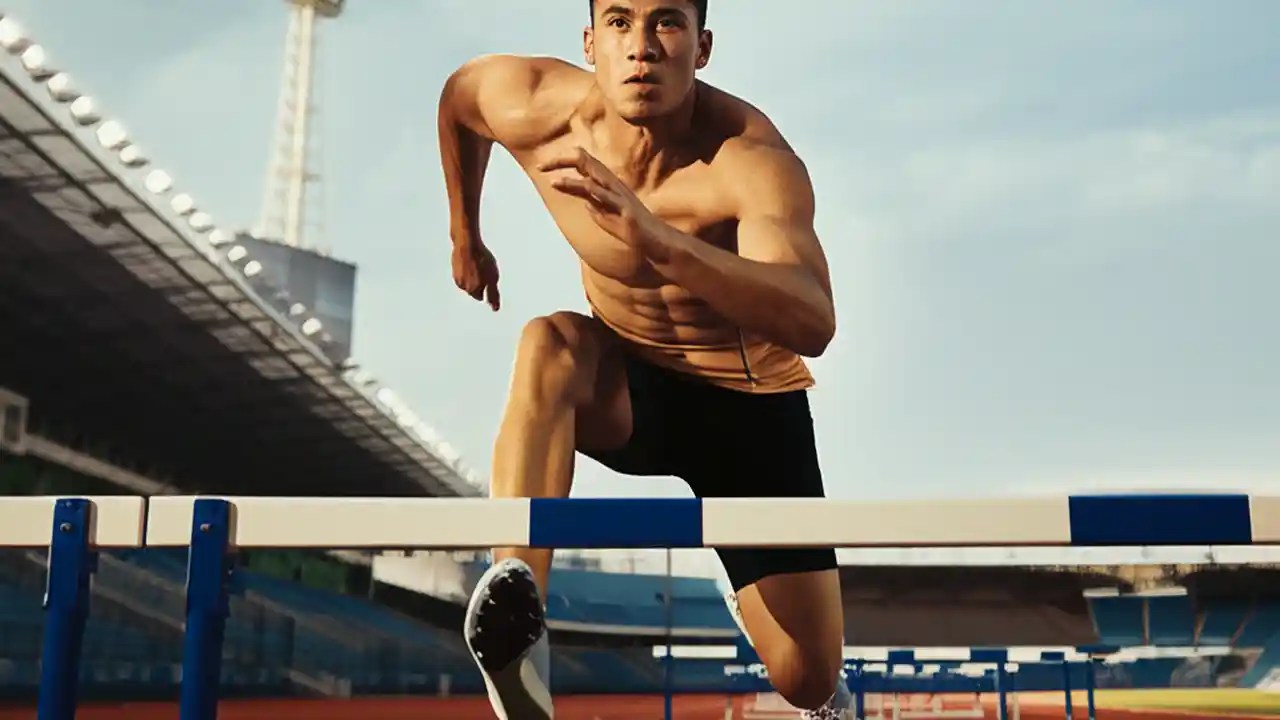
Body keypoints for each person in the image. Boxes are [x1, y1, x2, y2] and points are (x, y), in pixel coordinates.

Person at [437, 1, 851, 717]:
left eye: (665, 24)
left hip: (748, 414)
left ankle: (755, 607)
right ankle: (516, 609)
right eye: (621, 23)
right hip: (631, 385)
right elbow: (460, 101)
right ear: (590, 42)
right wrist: (464, 232)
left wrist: (657, 239)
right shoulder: (536, 107)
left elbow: (813, 319)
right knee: (548, 343)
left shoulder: (748, 160)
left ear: (702, 46)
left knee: (806, 680)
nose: (642, 49)